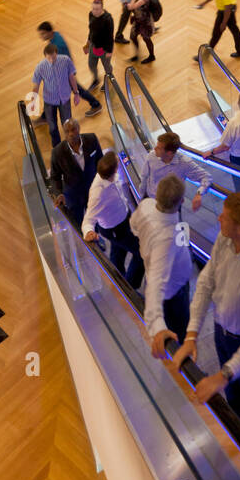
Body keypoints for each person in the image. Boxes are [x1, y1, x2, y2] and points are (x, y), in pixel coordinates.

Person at [175, 191, 240, 439]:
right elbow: (206, 282)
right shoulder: (225, 238)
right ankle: (239, 424)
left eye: (225, 216)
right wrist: (191, 335)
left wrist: (222, 376)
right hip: (222, 334)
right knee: (234, 391)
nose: (219, 217)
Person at [131, 174, 193, 352]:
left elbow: (134, 226)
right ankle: (182, 361)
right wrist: (157, 327)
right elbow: (156, 286)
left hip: (172, 284)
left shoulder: (145, 206)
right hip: (173, 294)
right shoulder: (166, 238)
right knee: (180, 331)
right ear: (181, 201)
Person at [82, 151, 144, 287]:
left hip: (124, 219)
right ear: (113, 170)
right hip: (114, 229)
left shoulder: (113, 174)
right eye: (118, 163)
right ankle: (131, 287)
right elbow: (88, 219)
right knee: (142, 253)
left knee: (118, 252)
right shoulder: (97, 193)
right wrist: (88, 232)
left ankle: (117, 280)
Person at [36, 22, 102, 118]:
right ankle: (45, 116)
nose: (41, 36)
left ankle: (96, 104)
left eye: (43, 34)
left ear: (49, 32)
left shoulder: (57, 45)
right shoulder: (56, 36)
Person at [50, 120, 104, 226]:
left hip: (93, 191)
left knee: (95, 221)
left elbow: (100, 161)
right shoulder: (57, 152)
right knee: (77, 224)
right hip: (73, 197)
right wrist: (58, 193)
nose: (71, 134)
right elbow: (54, 177)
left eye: (73, 129)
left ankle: (96, 240)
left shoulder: (91, 139)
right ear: (64, 133)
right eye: (67, 131)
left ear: (79, 129)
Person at [139, 131, 212, 206]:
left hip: (171, 205)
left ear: (169, 153)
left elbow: (206, 177)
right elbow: (144, 177)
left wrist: (199, 194)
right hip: (151, 199)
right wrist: (141, 198)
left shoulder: (184, 163)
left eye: (159, 148)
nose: (155, 149)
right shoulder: (151, 156)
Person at [34, 43, 82, 146]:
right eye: (49, 58)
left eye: (54, 57)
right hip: (49, 101)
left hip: (64, 98)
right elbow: (36, 85)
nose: (51, 60)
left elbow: (72, 78)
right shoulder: (40, 67)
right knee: (52, 128)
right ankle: (57, 148)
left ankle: (71, 145)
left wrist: (76, 93)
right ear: (45, 56)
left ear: (57, 53)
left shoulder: (65, 60)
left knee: (68, 125)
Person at [84, 0, 114, 89]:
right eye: (93, 9)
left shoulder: (108, 19)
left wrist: (109, 51)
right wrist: (88, 43)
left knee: (107, 67)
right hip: (93, 46)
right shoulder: (91, 14)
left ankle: (109, 80)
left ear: (102, 8)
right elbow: (91, 30)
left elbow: (110, 36)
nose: (95, 11)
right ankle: (96, 80)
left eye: (97, 9)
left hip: (104, 48)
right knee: (91, 65)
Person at [127, 0, 155, 64]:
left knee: (146, 39)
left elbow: (132, 6)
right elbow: (130, 7)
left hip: (146, 23)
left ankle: (152, 56)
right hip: (137, 21)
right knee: (132, 36)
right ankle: (137, 54)